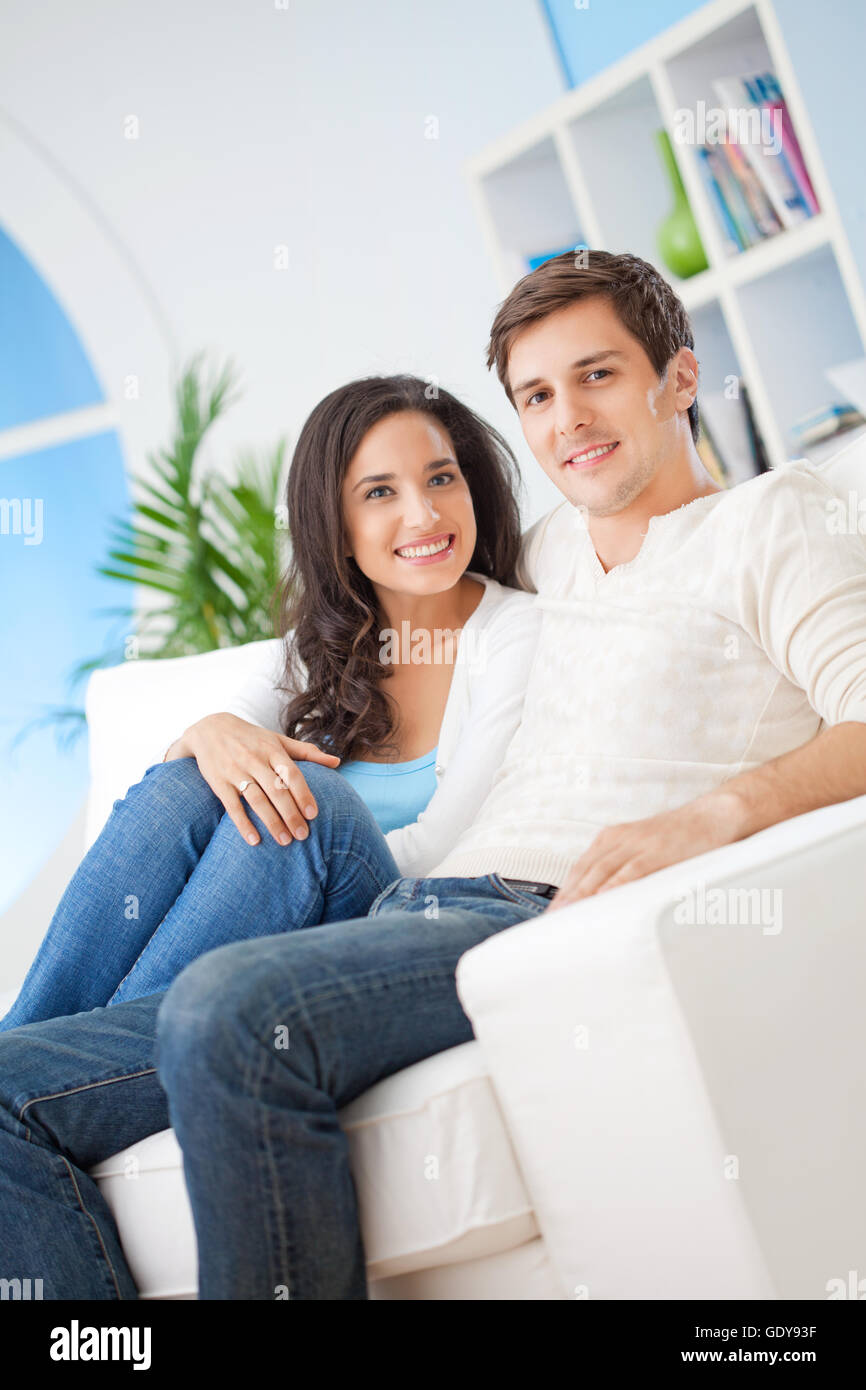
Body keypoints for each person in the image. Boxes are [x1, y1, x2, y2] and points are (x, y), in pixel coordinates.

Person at [2, 250, 865, 1299]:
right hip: (410, 913)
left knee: (227, 1006)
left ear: (678, 379)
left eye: (596, 375)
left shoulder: (772, 521)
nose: (568, 421)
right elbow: (370, 618)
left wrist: (714, 814)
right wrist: (217, 725)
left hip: (533, 911)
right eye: (536, 396)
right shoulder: (545, 560)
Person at [0, 374, 540, 1029]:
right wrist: (211, 730)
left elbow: (441, 847)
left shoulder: (513, 630)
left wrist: (267, 867)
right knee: (195, 779)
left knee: (301, 811)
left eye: (441, 478)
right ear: (337, 530)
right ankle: (26, 1048)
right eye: (379, 493)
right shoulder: (313, 649)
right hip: (270, 911)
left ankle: (62, 1060)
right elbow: (189, 775)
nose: (424, 514)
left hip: (391, 914)